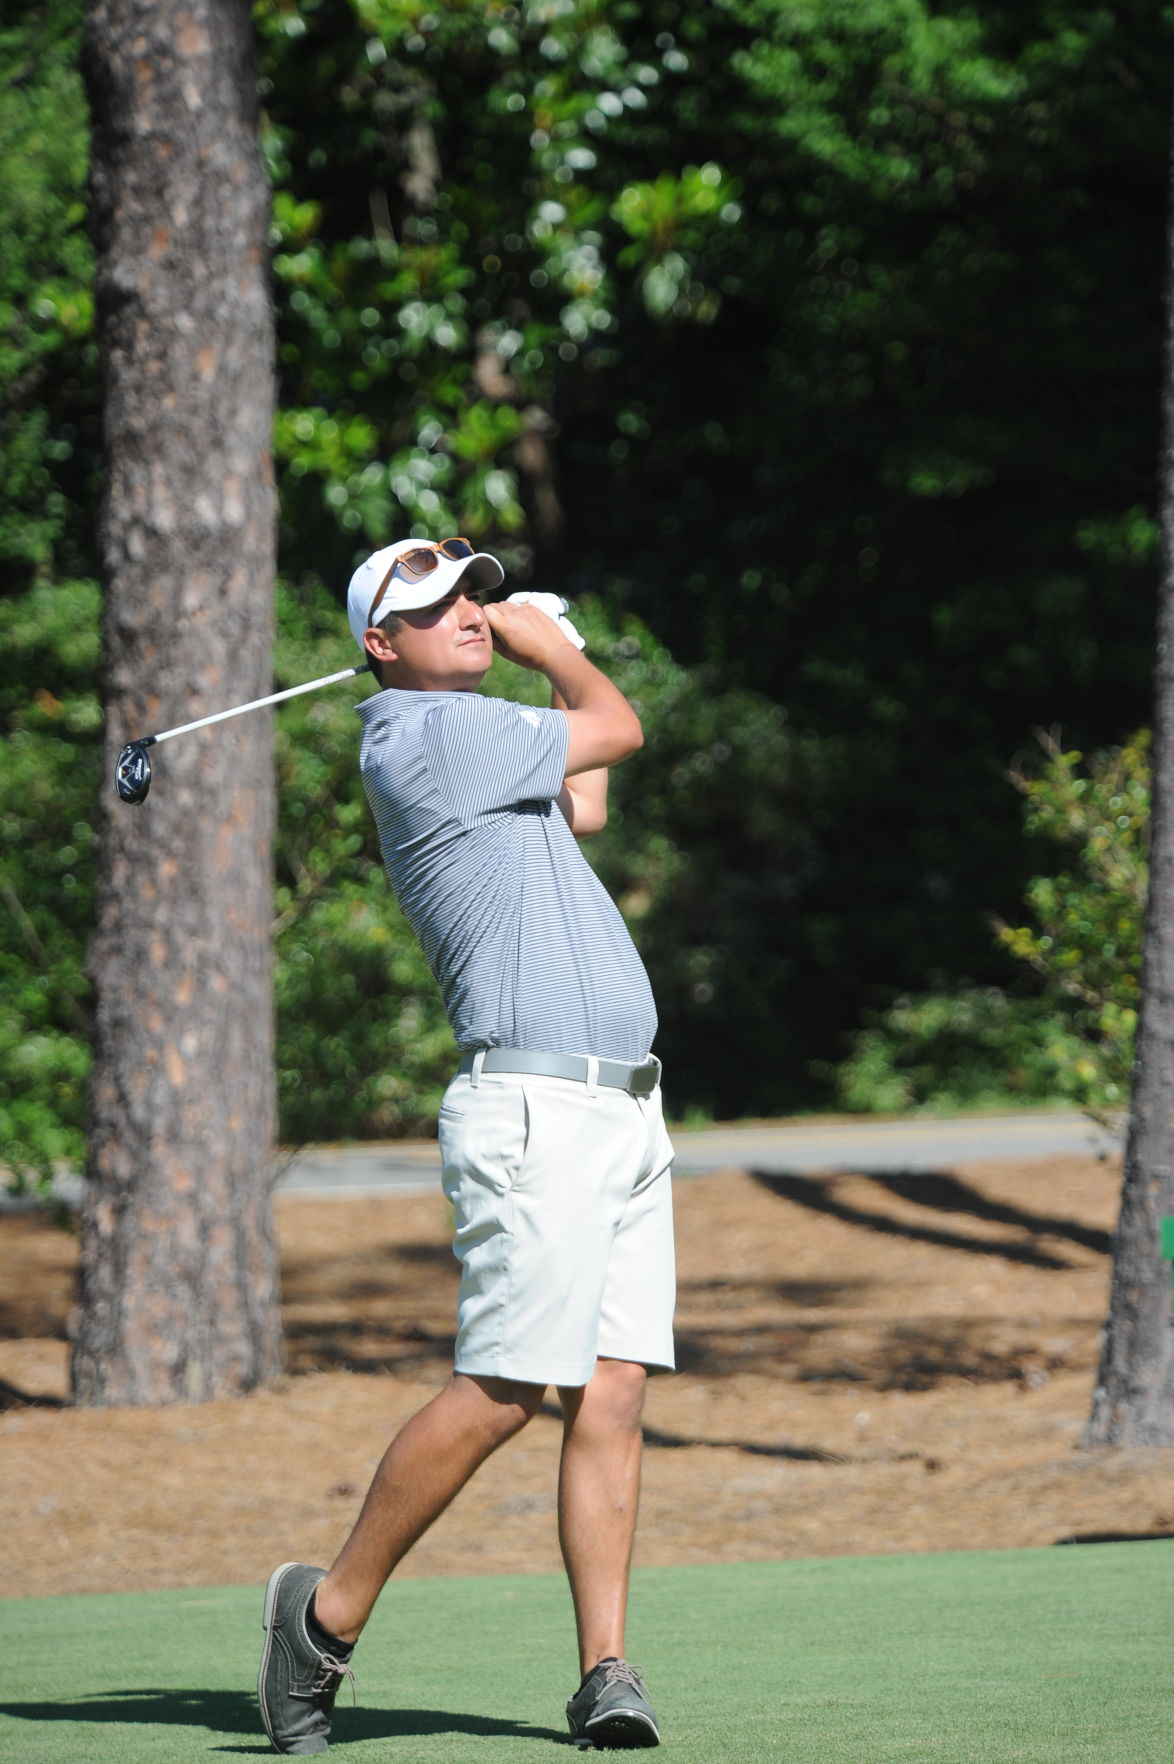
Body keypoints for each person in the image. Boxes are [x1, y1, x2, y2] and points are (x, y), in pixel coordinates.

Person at [257, 537, 676, 1756]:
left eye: (470, 595)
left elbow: (585, 793)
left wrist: (550, 660)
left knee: (611, 1388)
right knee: (505, 1388)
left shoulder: (485, 741)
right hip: (533, 1109)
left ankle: (606, 1671)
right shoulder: (424, 736)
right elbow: (622, 730)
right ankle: (322, 1619)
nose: (464, 614)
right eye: (433, 608)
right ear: (379, 648)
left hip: (625, 1109)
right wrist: (555, 643)